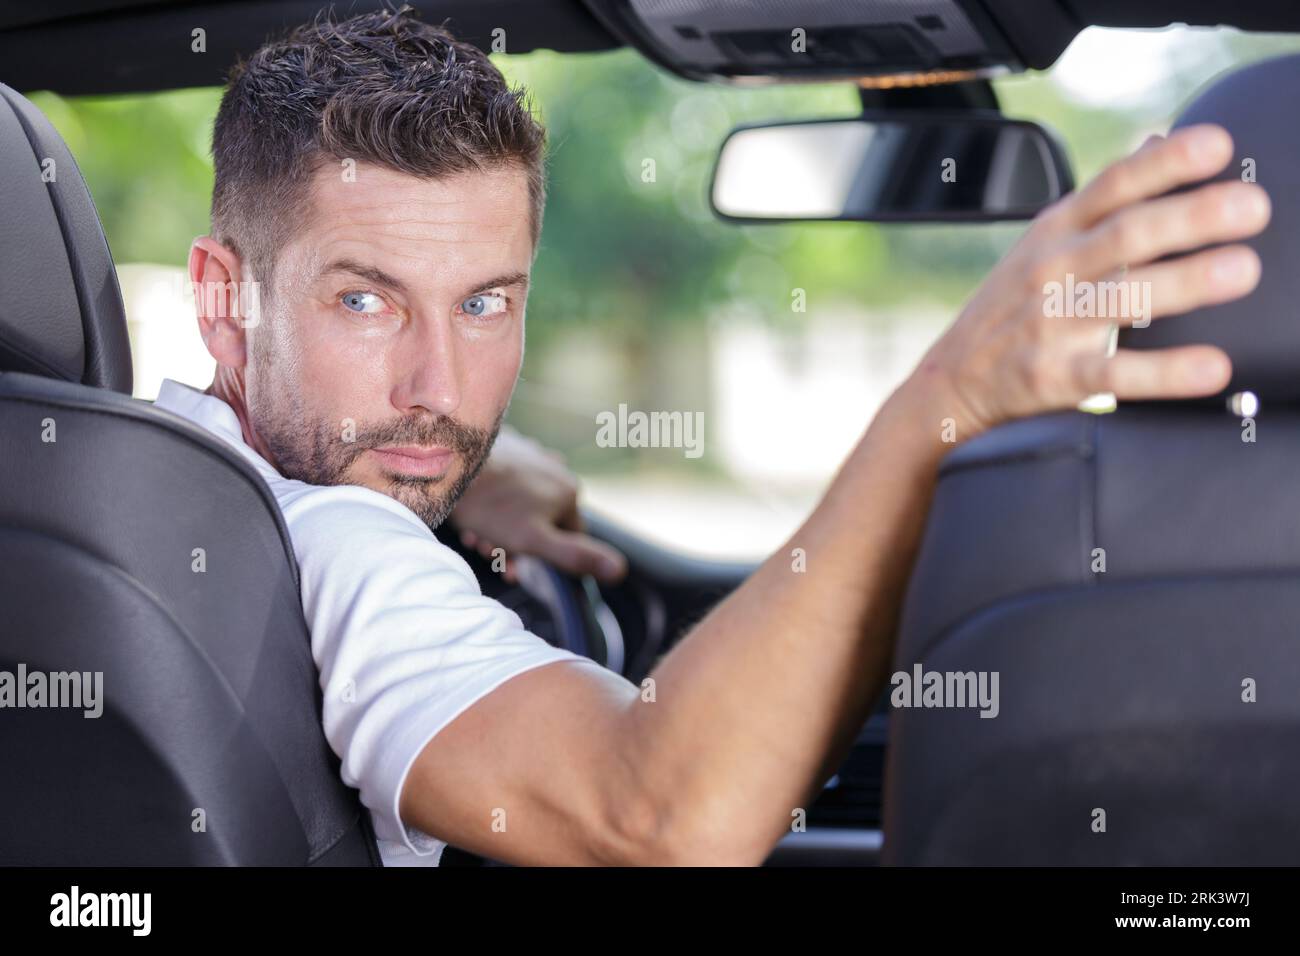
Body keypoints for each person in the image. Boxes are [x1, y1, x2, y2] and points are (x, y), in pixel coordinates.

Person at [156, 8, 1269, 865]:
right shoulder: (340, 543)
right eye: (365, 301)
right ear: (223, 299)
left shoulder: (128, 487)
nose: (437, 386)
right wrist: (949, 399)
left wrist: (446, 475)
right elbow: (656, 819)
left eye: (485, 302)